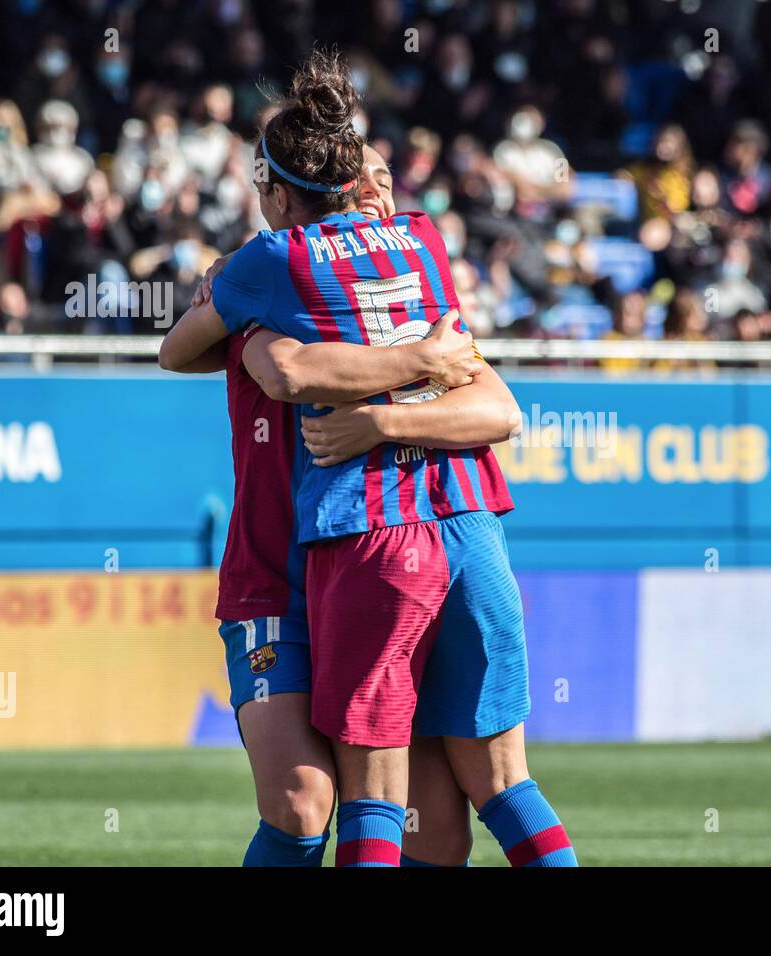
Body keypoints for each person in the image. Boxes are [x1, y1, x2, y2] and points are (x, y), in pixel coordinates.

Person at [163, 50, 576, 867]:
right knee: (304, 804)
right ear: (342, 186)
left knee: (438, 821)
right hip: (287, 573)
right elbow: (276, 369)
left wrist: (384, 419)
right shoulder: (311, 286)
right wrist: (424, 362)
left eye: (392, 182)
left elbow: (498, 410)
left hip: (379, 546)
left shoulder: (328, 272)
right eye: (369, 180)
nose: (384, 196)